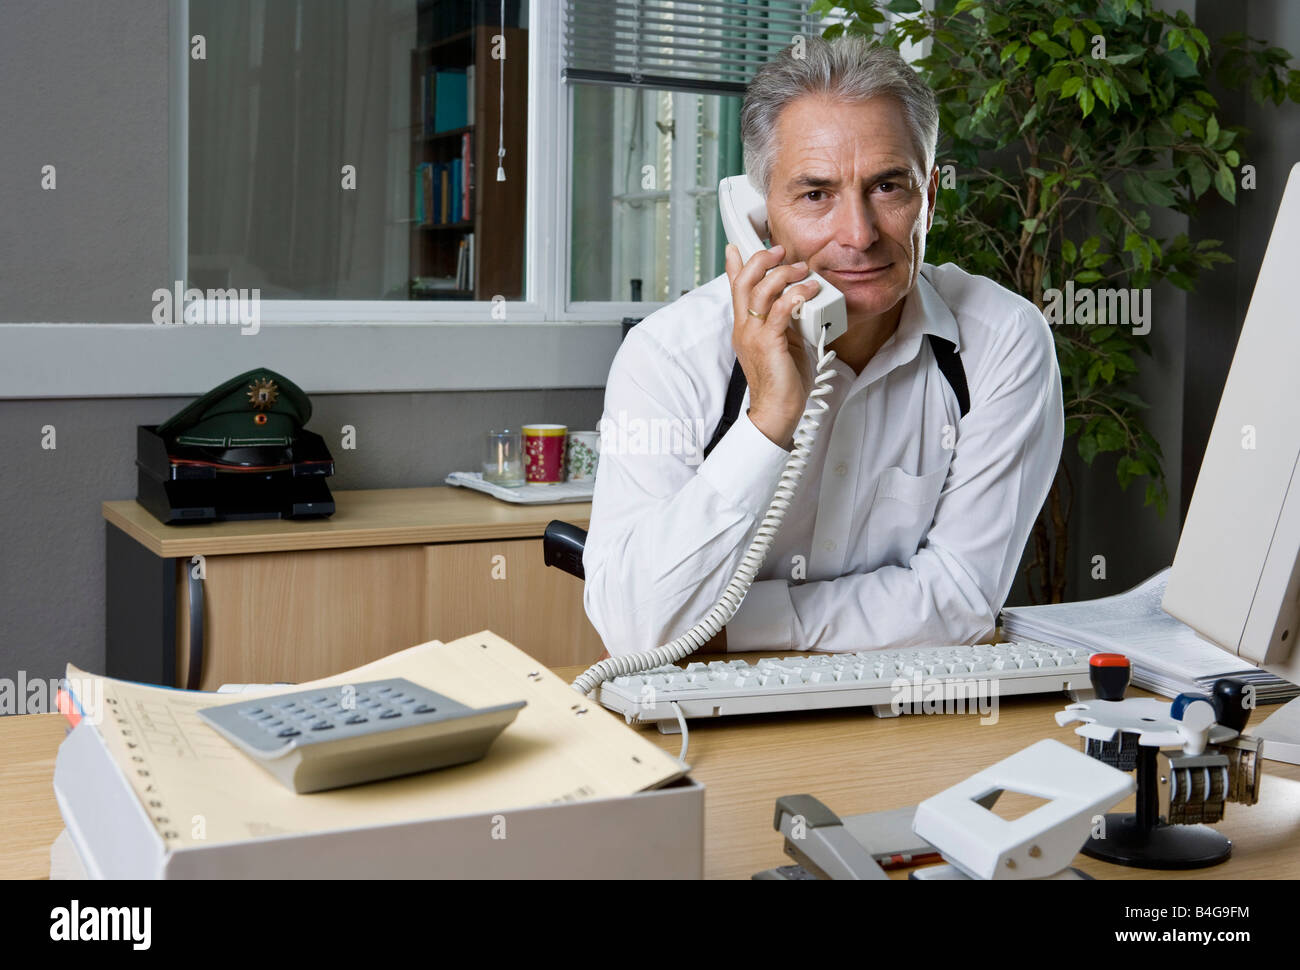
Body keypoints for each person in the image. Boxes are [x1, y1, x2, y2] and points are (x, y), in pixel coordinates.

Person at [583, 35, 1063, 658]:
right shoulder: (670, 357)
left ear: (931, 197)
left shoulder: (1003, 344)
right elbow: (636, 627)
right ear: (758, 215)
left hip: (911, 713)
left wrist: (729, 625)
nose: (859, 235)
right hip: (702, 718)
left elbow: (963, 599)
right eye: (816, 194)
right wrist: (767, 422)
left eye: (889, 188)